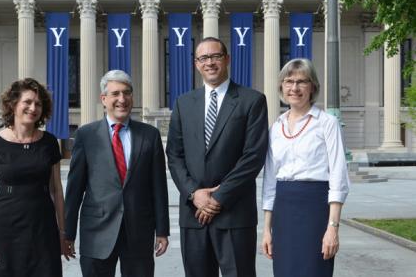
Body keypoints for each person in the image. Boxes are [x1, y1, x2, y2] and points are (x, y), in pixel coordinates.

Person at [166, 37, 268, 277]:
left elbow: (253, 156)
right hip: (194, 215)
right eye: (203, 58)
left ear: (227, 60)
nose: (209, 63)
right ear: (196, 64)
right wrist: (194, 194)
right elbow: (174, 155)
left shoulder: (252, 101)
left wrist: (218, 198)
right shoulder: (183, 103)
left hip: (234, 213)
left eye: (215, 56)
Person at [64, 70, 170, 277]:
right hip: (96, 232)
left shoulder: (150, 135)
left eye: (127, 93)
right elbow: (74, 189)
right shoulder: (86, 135)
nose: (122, 99)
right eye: (115, 94)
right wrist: (67, 233)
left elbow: (158, 187)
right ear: (104, 99)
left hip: (138, 231)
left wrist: (163, 230)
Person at [261, 58, 351, 277]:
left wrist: (332, 227)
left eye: (302, 81)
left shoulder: (327, 123)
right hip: (283, 213)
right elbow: (270, 181)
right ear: (281, 86)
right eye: (289, 81)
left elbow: (338, 175)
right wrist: (266, 230)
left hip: (314, 210)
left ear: (313, 87)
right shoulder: (276, 127)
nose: (295, 88)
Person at [0, 78, 69, 276]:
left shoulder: (50, 142)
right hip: (5, 227)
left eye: (38, 103)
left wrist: (63, 232)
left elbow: (57, 190)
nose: (33, 107)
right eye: (27, 102)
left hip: (43, 226)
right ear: (13, 104)